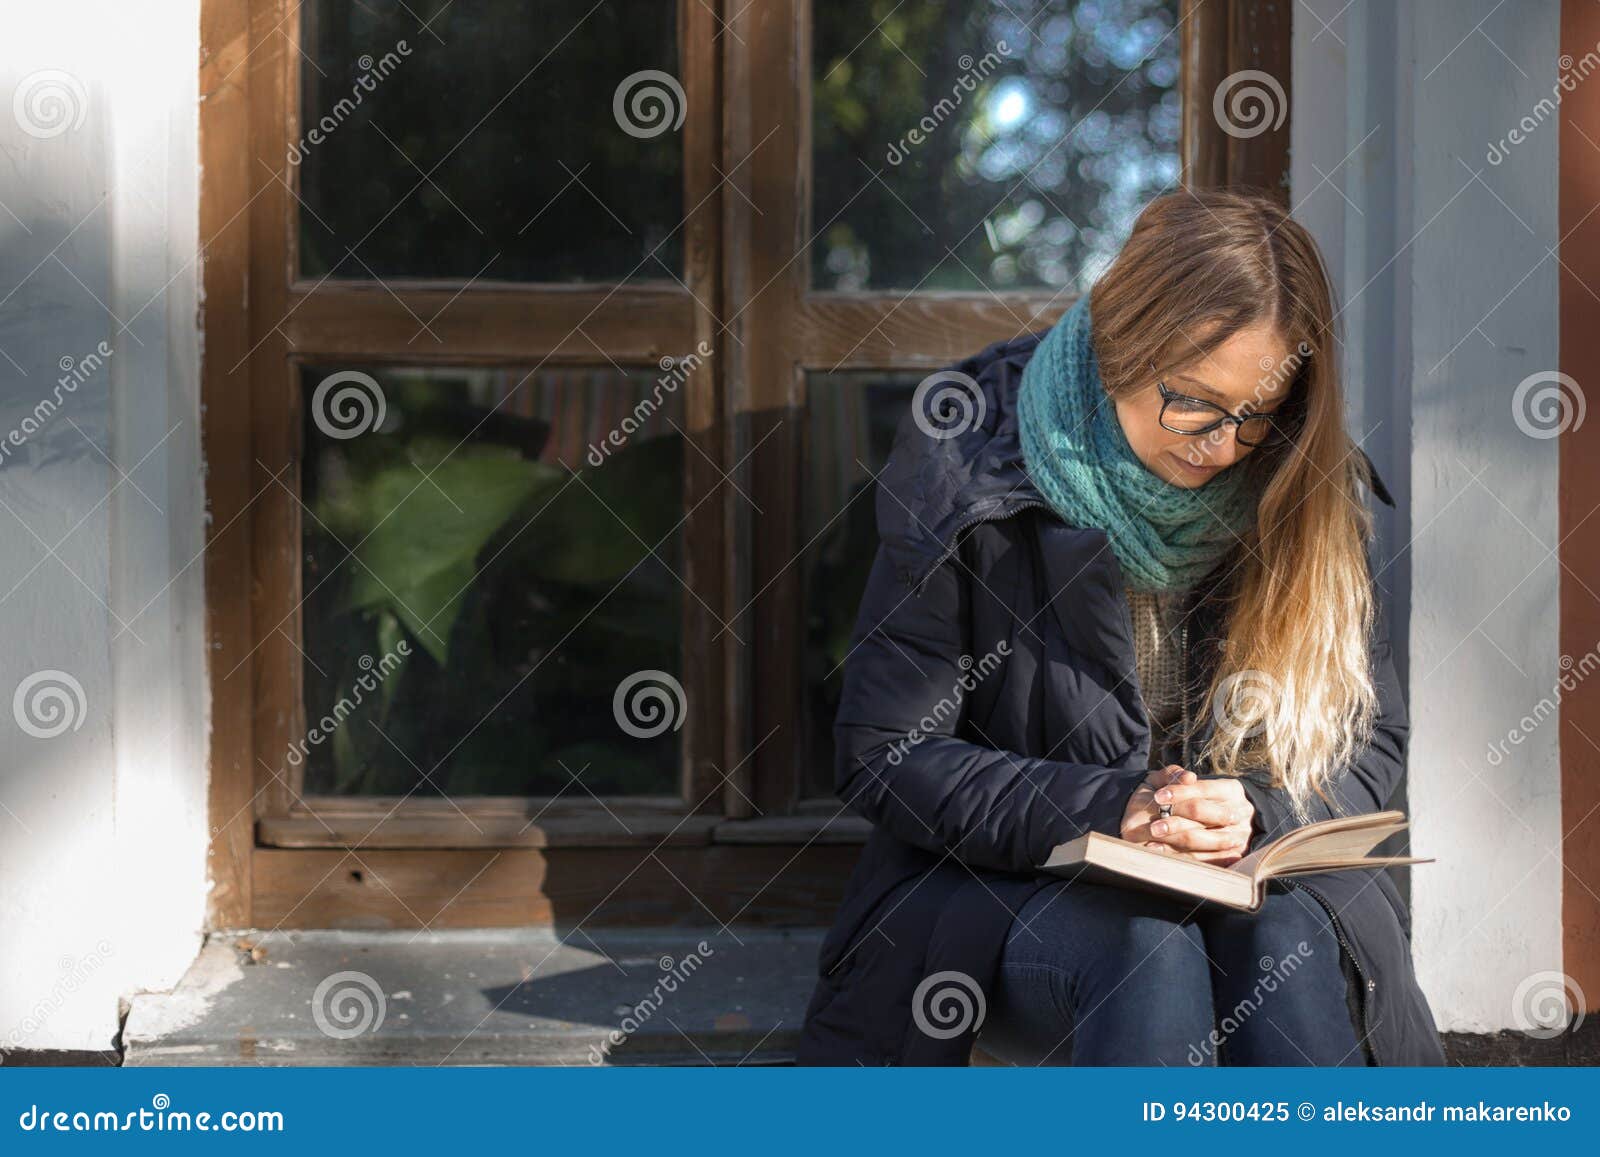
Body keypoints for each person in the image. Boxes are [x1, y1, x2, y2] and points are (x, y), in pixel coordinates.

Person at [796, 187, 1445, 1067]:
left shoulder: (1305, 490)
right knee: (1149, 948)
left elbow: (1374, 744)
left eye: (1256, 415)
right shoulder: (969, 454)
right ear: (1121, 342)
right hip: (1008, 887)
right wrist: (1112, 807)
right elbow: (887, 750)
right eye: (1194, 401)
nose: (1220, 444)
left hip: (1252, 883)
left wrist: (1255, 811)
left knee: (1285, 942)